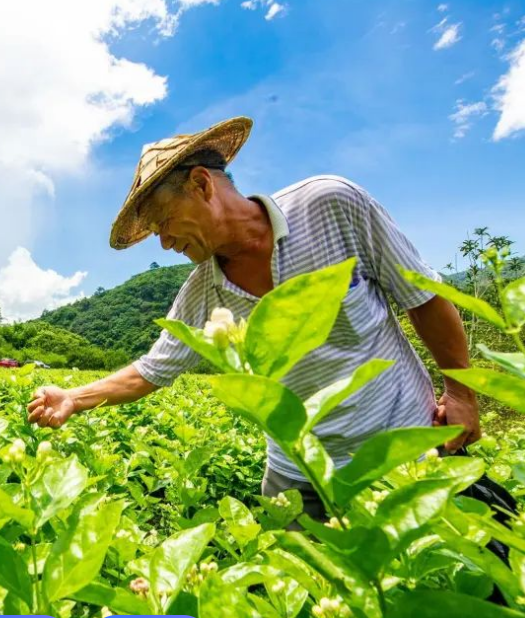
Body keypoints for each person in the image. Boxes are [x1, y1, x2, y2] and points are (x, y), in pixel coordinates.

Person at [26, 116, 479, 519]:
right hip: (298, 474)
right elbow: (151, 370)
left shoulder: (331, 204)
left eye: (164, 222)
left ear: (202, 184)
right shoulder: (203, 291)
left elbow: (423, 296)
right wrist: (74, 397)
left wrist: (461, 392)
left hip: (402, 448)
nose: (164, 242)